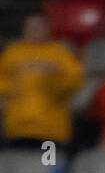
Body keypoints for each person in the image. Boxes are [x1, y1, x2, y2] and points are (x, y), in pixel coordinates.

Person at [0, 13, 83, 148]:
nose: (35, 30)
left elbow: (74, 81)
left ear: (47, 29)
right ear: (24, 29)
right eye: (31, 27)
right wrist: (9, 89)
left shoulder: (60, 53)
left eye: (39, 26)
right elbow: (2, 79)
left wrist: (55, 76)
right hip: (17, 128)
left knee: (48, 166)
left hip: (51, 130)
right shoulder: (12, 53)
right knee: (19, 167)